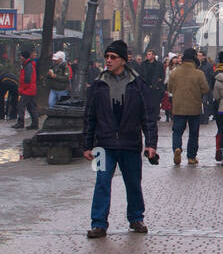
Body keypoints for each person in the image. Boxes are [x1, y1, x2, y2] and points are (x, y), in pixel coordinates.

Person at [81, 40, 158, 238]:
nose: (108, 60)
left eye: (112, 57)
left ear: (123, 60)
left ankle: (136, 218)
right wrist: (87, 145)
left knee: (133, 183)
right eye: (106, 57)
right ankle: (98, 223)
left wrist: (151, 144)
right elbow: (90, 116)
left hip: (130, 143)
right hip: (103, 144)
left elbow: (148, 115)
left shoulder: (137, 84)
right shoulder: (98, 84)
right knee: (101, 183)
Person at [167, 48, 209, 165]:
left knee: (177, 131)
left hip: (178, 107)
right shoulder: (199, 73)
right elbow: (206, 89)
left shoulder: (175, 72)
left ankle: (177, 148)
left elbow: (169, 88)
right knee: (193, 133)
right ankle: (191, 157)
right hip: (194, 107)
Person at [138, 49, 165, 124]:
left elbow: (162, 76)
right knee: (146, 103)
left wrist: (158, 83)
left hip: (156, 88)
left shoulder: (159, 64)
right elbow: (141, 75)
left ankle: (155, 117)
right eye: (147, 54)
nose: (148, 56)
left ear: (153, 55)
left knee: (155, 104)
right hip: (146, 87)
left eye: (149, 54)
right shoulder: (143, 64)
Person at [14, 49, 39, 130]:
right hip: (31, 89)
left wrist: (21, 89)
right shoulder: (28, 65)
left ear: (24, 57)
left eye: (21, 56)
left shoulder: (28, 66)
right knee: (31, 107)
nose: (20, 57)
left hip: (28, 89)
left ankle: (20, 122)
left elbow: (27, 80)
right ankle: (35, 124)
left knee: (21, 105)